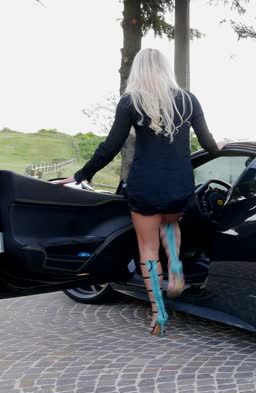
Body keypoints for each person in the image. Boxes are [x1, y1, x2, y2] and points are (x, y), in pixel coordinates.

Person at [54, 48, 221, 337]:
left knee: (147, 250)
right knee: (171, 225)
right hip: (179, 185)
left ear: (139, 71)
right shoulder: (188, 100)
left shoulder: (131, 102)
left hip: (145, 186)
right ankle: (177, 273)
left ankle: (159, 312)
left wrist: (82, 175)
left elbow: (110, 146)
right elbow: (207, 142)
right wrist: (220, 151)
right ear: (166, 69)